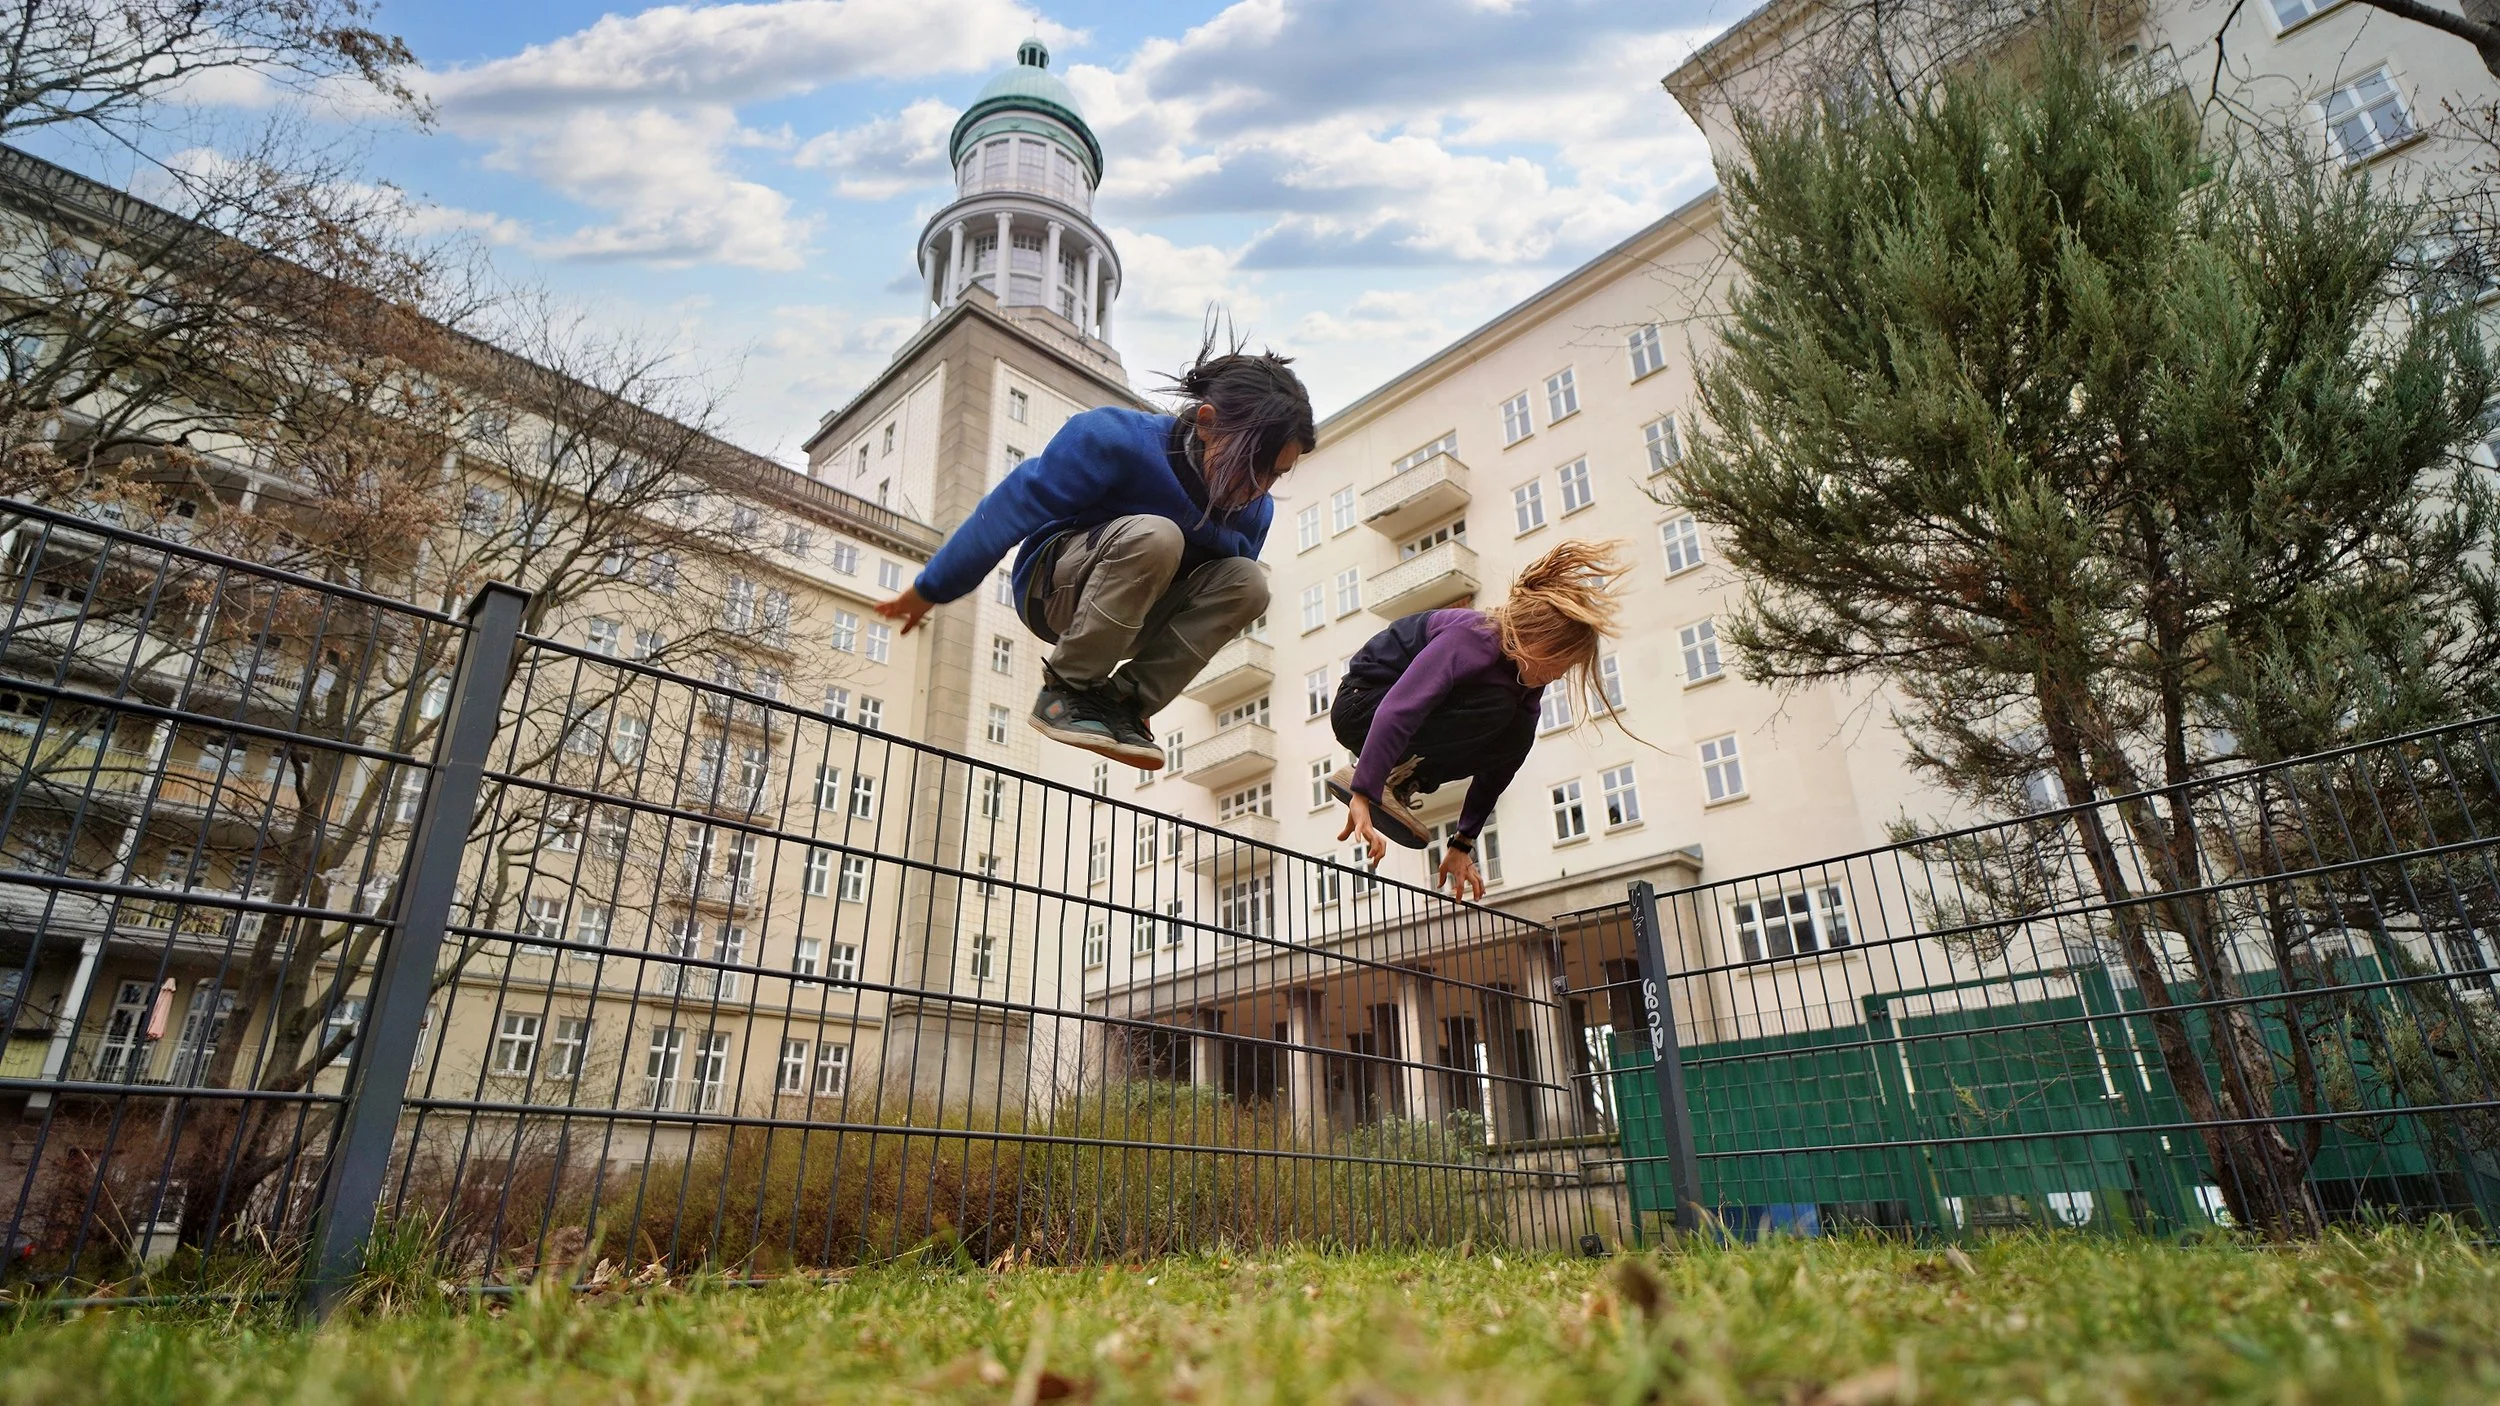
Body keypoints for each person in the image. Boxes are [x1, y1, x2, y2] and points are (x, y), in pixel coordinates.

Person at [876, 343, 1316, 768]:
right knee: (1158, 536)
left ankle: (1122, 703)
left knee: (1249, 581)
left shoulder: (1255, 512)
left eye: (1274, 474)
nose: (1258, 487)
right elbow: (1010, 510)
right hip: (1053, 591)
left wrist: (1141, 697)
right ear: (1207, 424)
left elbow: (1211, 605)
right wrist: (932, 587)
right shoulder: (1115, 439)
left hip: (1138, 613)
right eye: (1251, 465)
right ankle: (1065, 689)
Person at [1330, 540, 1632, 900]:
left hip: (1394, 718)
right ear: (1535, 641)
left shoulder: (1523, 689)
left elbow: (1500, 769)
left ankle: (1401, 780)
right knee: (1496, 706)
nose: (1558, 674)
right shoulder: (1474, 637)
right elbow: (1402, 705)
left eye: (1566, 669)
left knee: (1513, 733)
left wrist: (1463, 842)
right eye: (1558, 662)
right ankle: (1384, 775)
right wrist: (1363, 792)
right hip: (1362, 704)